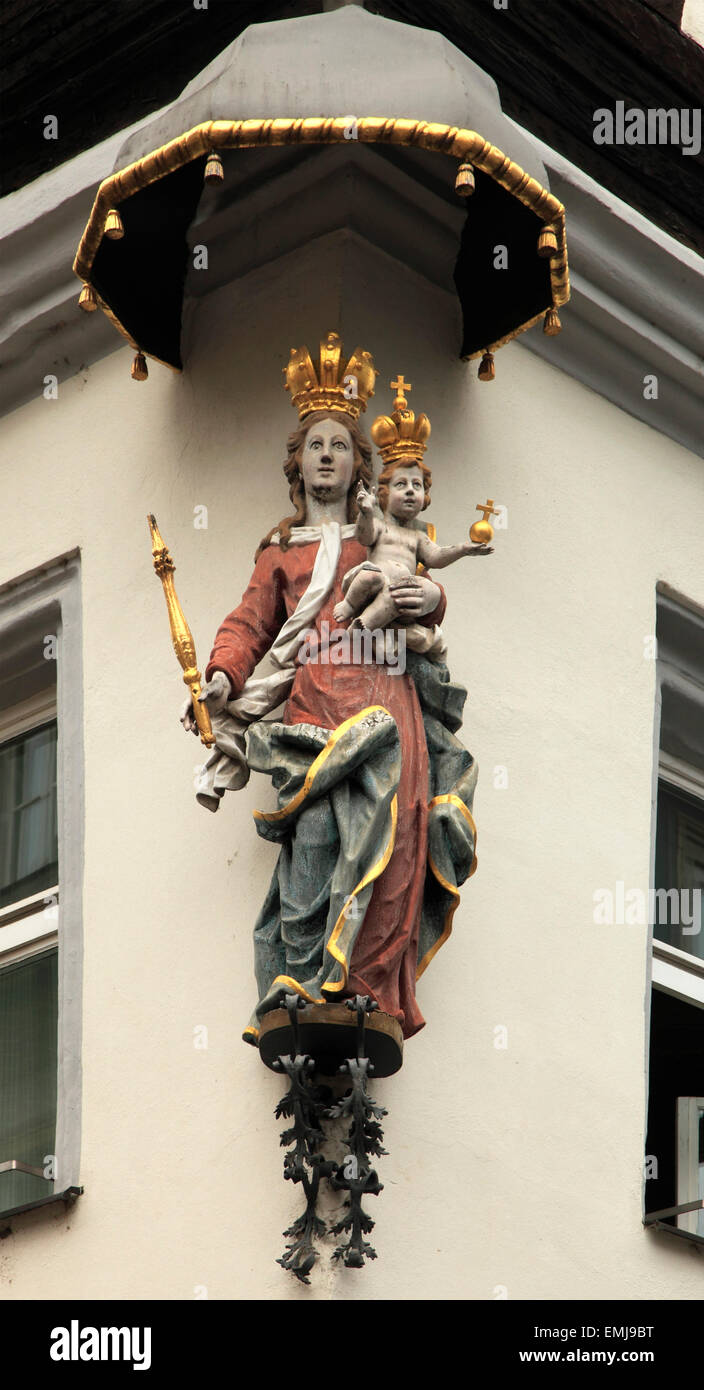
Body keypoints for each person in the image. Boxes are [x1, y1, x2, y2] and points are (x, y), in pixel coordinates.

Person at [182, 335, 481, 1044]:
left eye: (339, 446)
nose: (325, 456)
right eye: (314, 444)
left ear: (358, 466)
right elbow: (248, 624)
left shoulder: (381, 539)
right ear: (297, 463)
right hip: (315, 701)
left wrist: (427, 598)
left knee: (398, 837)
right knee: (315, 834)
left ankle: (368, 989)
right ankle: (304, 978)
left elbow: (428, 590)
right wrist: (223, 675)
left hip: (386, 698)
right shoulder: (280, 551)